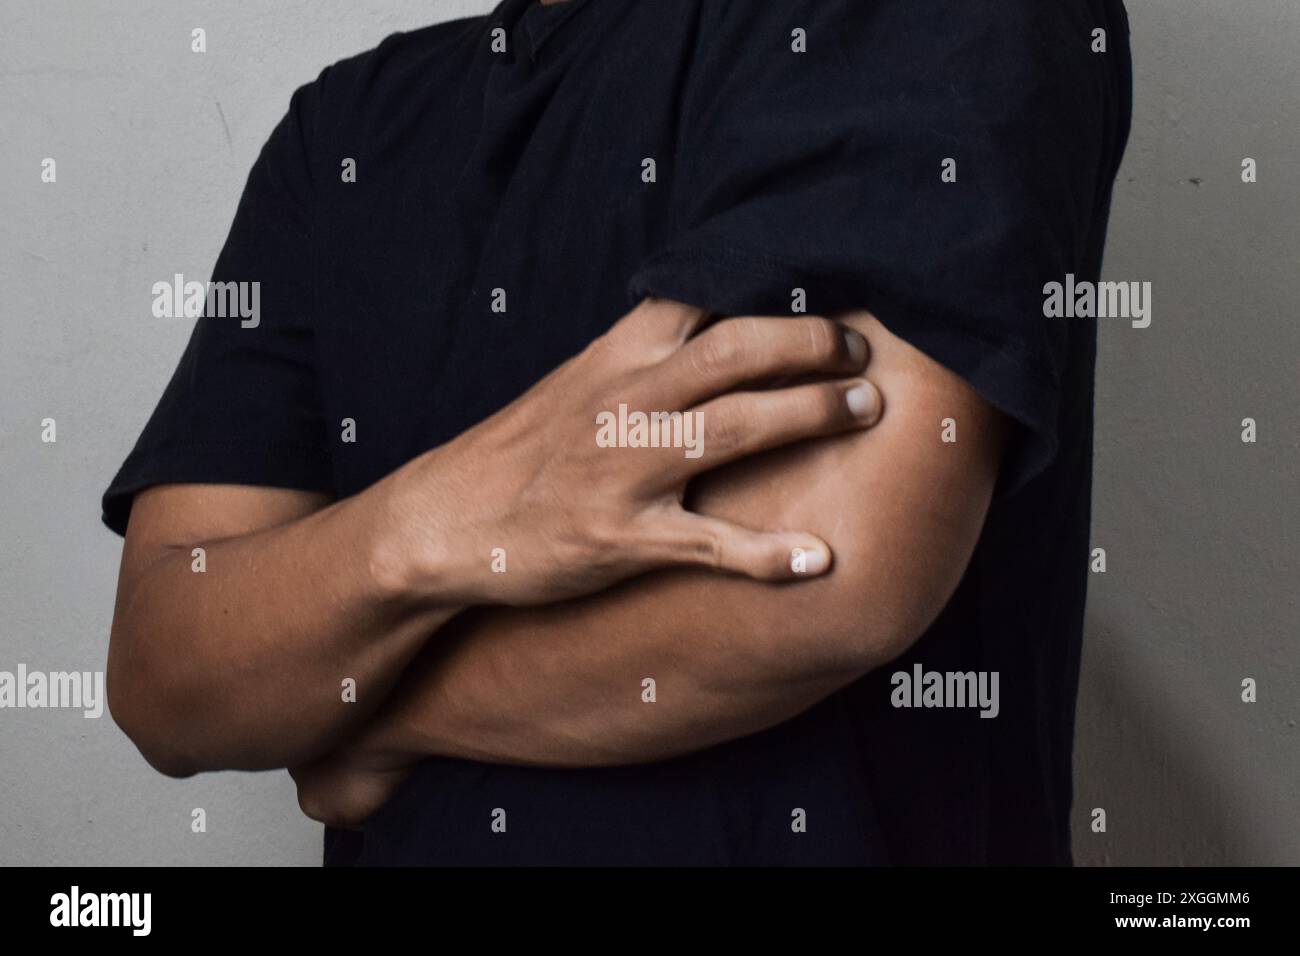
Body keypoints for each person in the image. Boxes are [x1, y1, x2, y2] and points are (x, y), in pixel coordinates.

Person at [102, 0, 1133, 865]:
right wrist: (433, 519)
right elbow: (164, 672)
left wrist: (368, 706)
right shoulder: (341, 134)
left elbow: (823, 565)